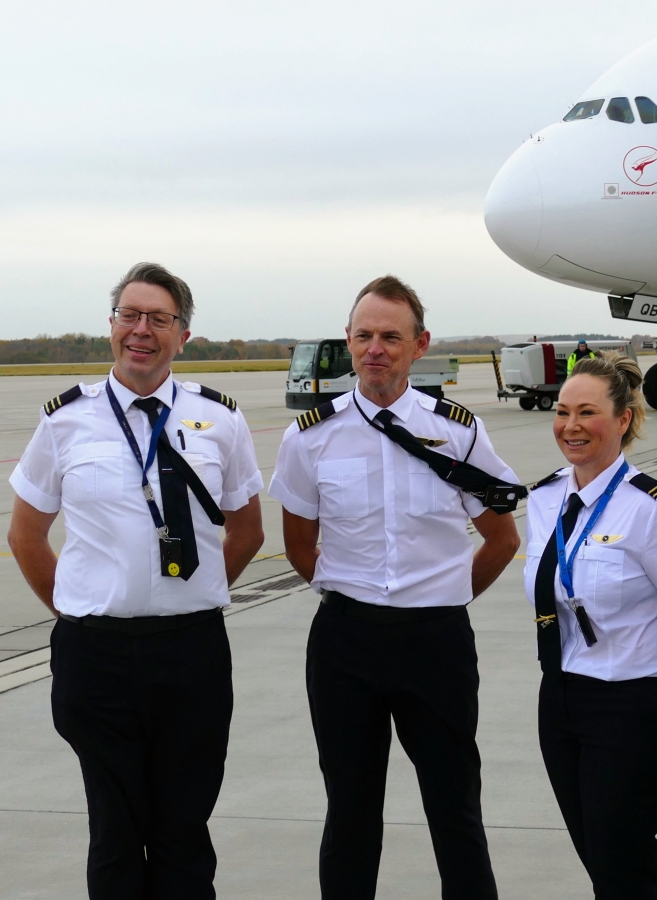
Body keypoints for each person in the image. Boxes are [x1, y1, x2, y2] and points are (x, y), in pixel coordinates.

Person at [7, 262, 265, 899]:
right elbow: (26, 535)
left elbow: (248, 531)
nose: (141, 330)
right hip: (96, 656)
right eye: (130, 315)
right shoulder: (65, 421)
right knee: (115, 834)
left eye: (158, 319)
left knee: (184, 832)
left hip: (191, 654)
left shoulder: (220, 420)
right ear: (112, 325)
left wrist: (192, 594)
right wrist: (77, 608)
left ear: (183, 336)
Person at [271, 275, 522, 900]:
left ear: (419, 345)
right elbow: (300, 546)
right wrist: (352, 596)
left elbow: (501, 539)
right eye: (363, 336)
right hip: (346, 644)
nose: (375, 349)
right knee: (350, 811)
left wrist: (444, 598)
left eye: (390, 336)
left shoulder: (457, 431)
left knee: (454, 807)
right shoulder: (310, 437)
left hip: (435, 641)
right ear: (348, 341)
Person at [524, 351, 657, 899]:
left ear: (624, 419)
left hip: (636, 704)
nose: (571, 426)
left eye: (587, 412)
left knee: (621, 863)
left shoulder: (653, 507)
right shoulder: (545, 499)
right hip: (561, 698)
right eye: (563, 412)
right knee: (598, 858)